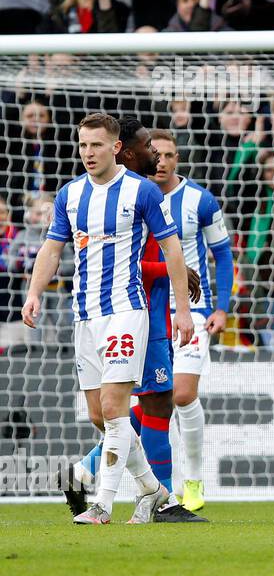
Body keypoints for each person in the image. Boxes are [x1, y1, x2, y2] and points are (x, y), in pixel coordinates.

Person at [21, 112, 196, 526]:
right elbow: (51, 249)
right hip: (84, 315)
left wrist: (182, 311)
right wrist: (32, 293)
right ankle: (154, 491)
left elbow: (172, 249)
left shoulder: (141, 191)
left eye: (96, 145)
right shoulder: (70, 195)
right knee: (101, 416)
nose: (88, 153)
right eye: (82, 145)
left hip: (125, 311)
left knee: (116, 407)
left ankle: (102, 504)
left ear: (116, 147)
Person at [65, 118, 206, 523]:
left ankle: (91, 473)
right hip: (134, 315)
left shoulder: (151, 195)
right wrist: (170, 279)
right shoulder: (126, 198)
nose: (157, 157)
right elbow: (126, 266)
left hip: (150, 312)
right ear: (125, 151)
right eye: (150, 148)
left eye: (165, 152)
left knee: (138, 408)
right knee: (139, 406)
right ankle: (154, 499)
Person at [149, 130, 234, 514]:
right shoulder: (135, 198)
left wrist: (223, 307)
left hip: (194, 311)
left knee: (182, 393)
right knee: (154, 401)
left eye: (168, 155)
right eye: (156, 156)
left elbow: (223, 255)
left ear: (178, 159)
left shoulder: (200, 199)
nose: (162, 162)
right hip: (147, 310)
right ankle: (154, 486)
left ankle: (194, 480)